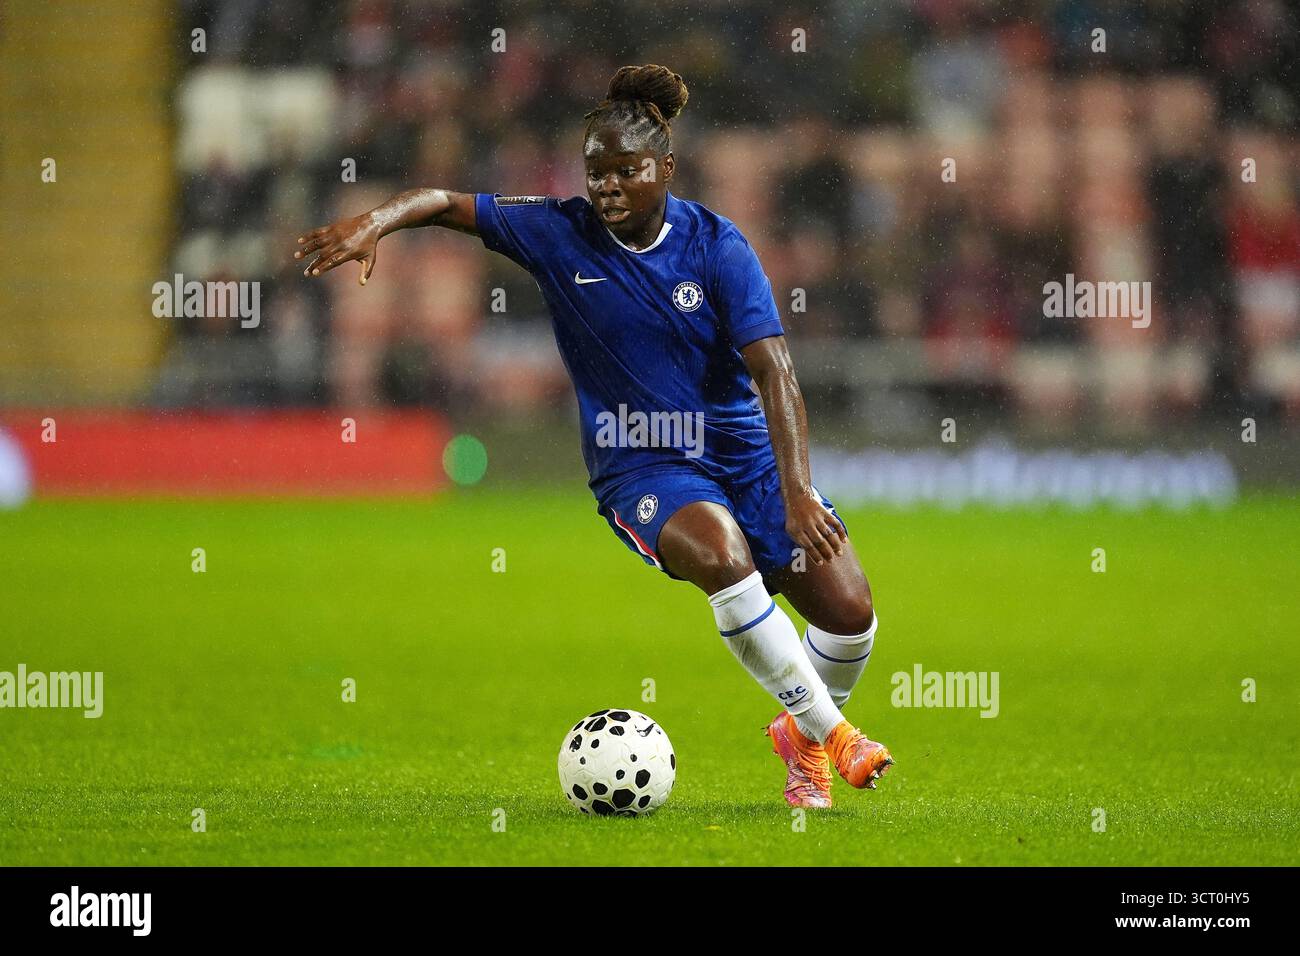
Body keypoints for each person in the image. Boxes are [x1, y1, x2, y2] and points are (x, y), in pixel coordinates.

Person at [295, 64, 891, 808]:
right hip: (641, 462)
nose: (607, 186)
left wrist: (798, 493)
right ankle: (834, 739)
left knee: (851, 616)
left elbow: (776, 374)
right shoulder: (557, 232)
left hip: (746, 456)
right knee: (722, 556)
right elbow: (446, 202)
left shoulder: (716, 246)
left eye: (626, 170)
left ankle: (797, 736)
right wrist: (374, 220)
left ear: (665, 168)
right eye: (595, 172)